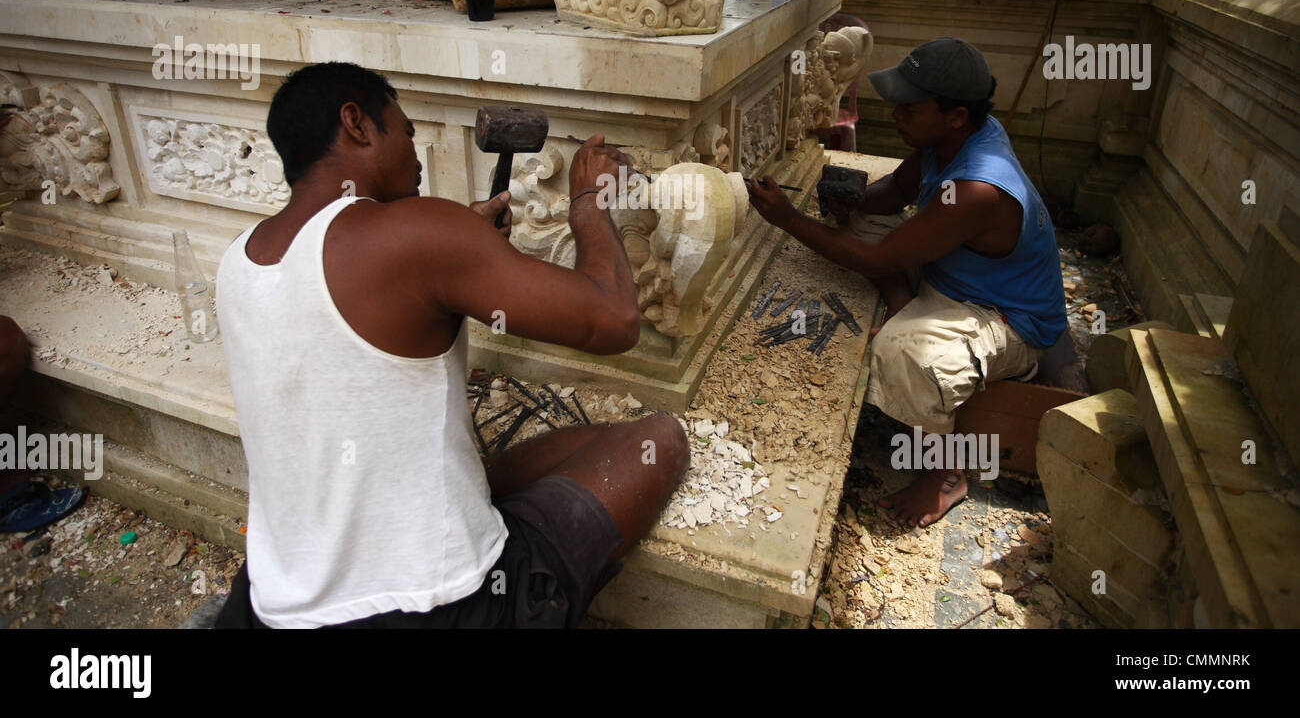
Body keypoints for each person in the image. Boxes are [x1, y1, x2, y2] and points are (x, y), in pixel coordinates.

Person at [213, 62, 689, 628]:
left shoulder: (241, 256)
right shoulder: (419, 234)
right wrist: (587, 199)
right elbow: (614, 320)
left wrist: (459, 251)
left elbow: (365, 300)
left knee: (575, 443)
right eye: (407, 132)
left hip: (273, 604)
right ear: (356, 124)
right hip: (442, 611)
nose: (417, 157)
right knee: (657, 440)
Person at [747, 38, 1066, 528]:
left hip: (1003, 316)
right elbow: (895, 192)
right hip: (950, 271)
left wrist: (788, 220)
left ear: (956, 115)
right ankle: (901, 296)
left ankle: (946, 475)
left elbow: (877, 255)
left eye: (909, 108)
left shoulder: (978, 187)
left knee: (903, 353)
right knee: (850, 228)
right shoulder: (952, 138)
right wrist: (853, 201)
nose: (896, 115)